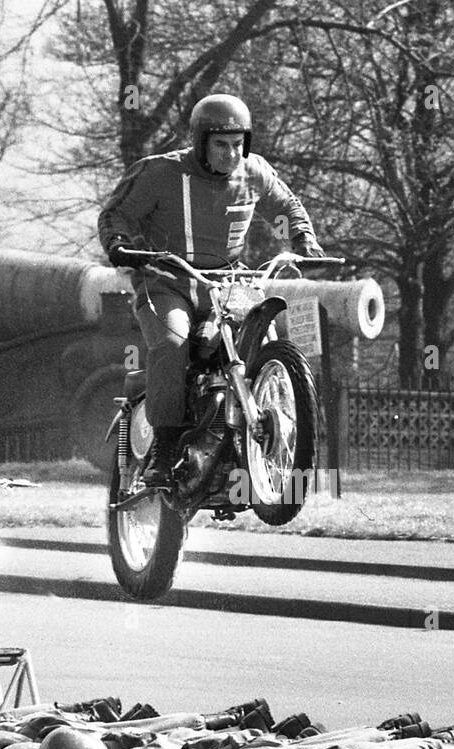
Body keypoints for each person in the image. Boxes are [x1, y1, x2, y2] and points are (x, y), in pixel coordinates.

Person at [98, 93, 325, 487]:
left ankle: (258, 434)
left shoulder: (255, 173)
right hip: (167, 281)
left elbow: (287, 207)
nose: (231, 154)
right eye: (221, 144)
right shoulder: (159, 173)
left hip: (229, 283)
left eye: (238, 144)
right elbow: (116, 213)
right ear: (200, 141)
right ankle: (164, 450)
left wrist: (305, 243)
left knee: (264, 337)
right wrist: (119, 245)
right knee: (172, 342)